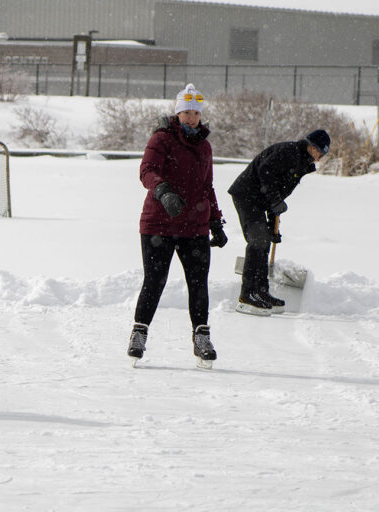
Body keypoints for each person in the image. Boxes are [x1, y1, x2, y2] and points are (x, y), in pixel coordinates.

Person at [127, 83, 228, 369]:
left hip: (194, 227)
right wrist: (164, 192)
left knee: (198, 284)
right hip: (158, 223)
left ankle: (202, 337)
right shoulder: (161, 139)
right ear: (177, 113)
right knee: (154, 281)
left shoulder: (205, 146)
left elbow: (207, 186)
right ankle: (139, 334)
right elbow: (147, 170)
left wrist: (215, 221)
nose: (192, 117)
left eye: (196, 112)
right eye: (186, 112)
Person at [228, 129, 330, 316]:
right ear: (310, 145)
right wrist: (274, 201)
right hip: (247, 195)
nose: (319, 158)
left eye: (322, 154)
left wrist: (272, 223)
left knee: (264, 240)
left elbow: (277, 190)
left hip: (259, 200)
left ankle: (261, 291)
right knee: (258, 240)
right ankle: (247, 294)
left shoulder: (301, 162)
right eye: (319, 152)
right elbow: (265, 172)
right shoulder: (290, 152)